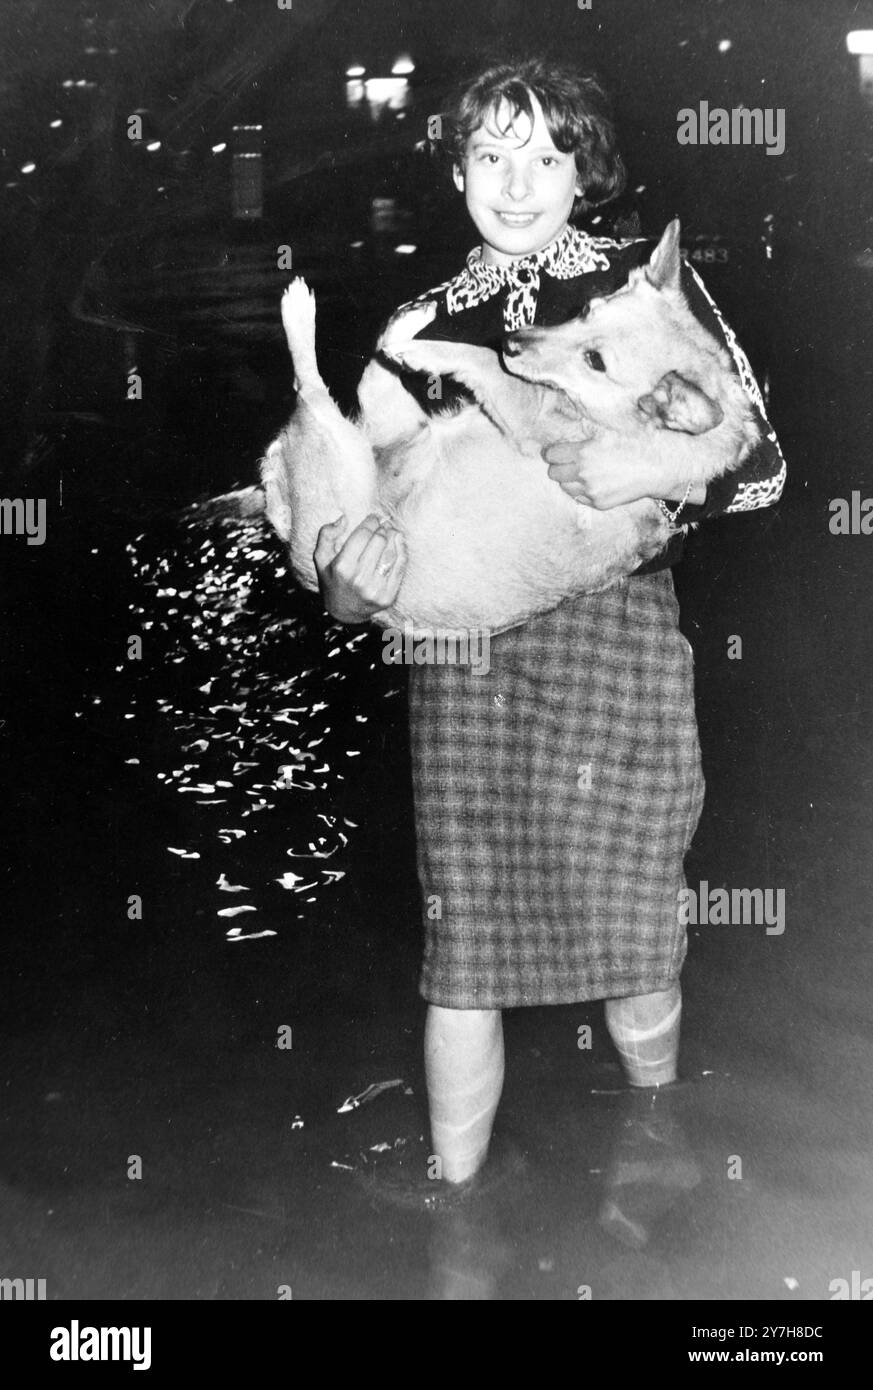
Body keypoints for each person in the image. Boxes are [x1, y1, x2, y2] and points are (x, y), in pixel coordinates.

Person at [314, 57, 786, 1190]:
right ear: (459, 170)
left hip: (617, 637)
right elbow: (346, 551)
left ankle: (656, 1145)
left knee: (632, 918)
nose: (517, 184)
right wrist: (347, 584)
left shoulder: (643, 288)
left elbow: (761, 470)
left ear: (587, 172)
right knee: (464, 946)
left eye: (545, 156)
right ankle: (459, 1209)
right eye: (491, 155)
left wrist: (636, 474)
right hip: (462, 663)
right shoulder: (415, 330)